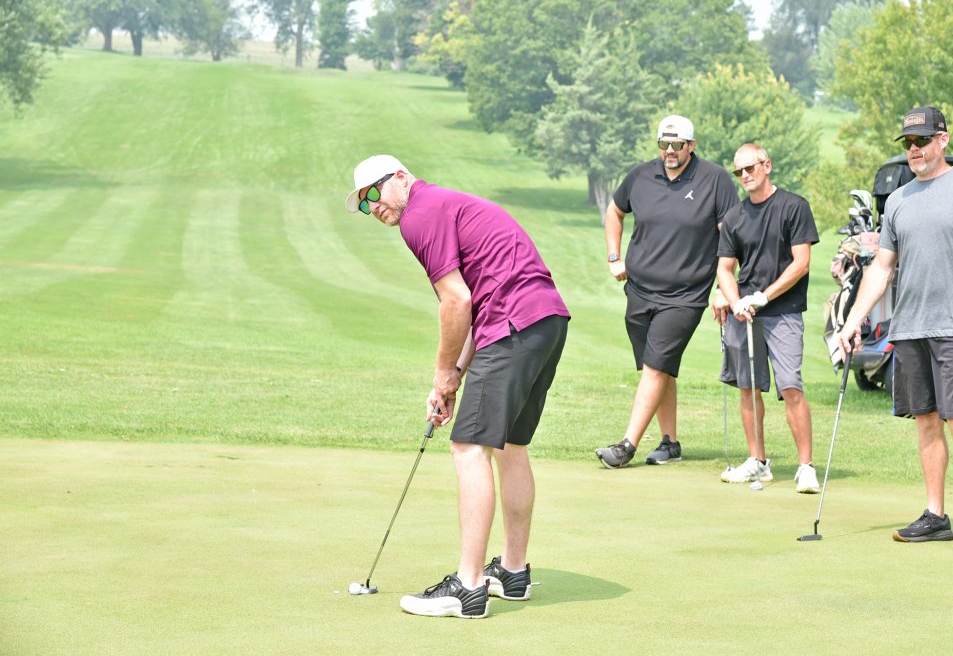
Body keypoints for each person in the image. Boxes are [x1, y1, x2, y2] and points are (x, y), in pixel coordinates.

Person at [346, 155, 571, 616]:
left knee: (468, 447)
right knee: (510, 445)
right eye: (364, 203)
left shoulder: (420, 215)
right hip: (543, 320)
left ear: (402, 178)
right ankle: (511, 572)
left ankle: (467, 588)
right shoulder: (442, 205)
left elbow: (456, 301)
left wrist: (441, 373)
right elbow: (475, 307)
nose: (373, 207)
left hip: (514, 323)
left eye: (374, 193)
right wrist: (454, 377)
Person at [837, 106, 953, 554]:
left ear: (943, 140)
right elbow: (882, 269)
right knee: (926, 423)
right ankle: (935, 515)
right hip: (910, 327)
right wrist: (853, 321)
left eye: (923, 141)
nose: (915, 150)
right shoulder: (898, 201)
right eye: (909, 144)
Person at [595, 115, 738, 468]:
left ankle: (626, 445)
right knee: (658, 368)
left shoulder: (714, 180)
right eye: (664, 144)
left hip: (685, 295)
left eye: (677, 145)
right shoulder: (641, 176)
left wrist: (725, 288)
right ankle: (669, 443)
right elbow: (614, 211)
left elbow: (732, 238)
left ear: (691, 145)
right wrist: (614, 256)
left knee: (655, 367)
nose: (670, 152)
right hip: (640, 290)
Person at [712, 144, 820, 493]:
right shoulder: (734, 217)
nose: (745, 175)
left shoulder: (793, 207)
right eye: (739, 171)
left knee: (791, 387)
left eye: (751, 168)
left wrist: (764, 296)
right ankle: (757, 461)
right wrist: (734, 300)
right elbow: (725, 268)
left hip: (783, 312)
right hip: (746, 316)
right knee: (748, 389)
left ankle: (805, 466)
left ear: (767, 166)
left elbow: (801, 263)